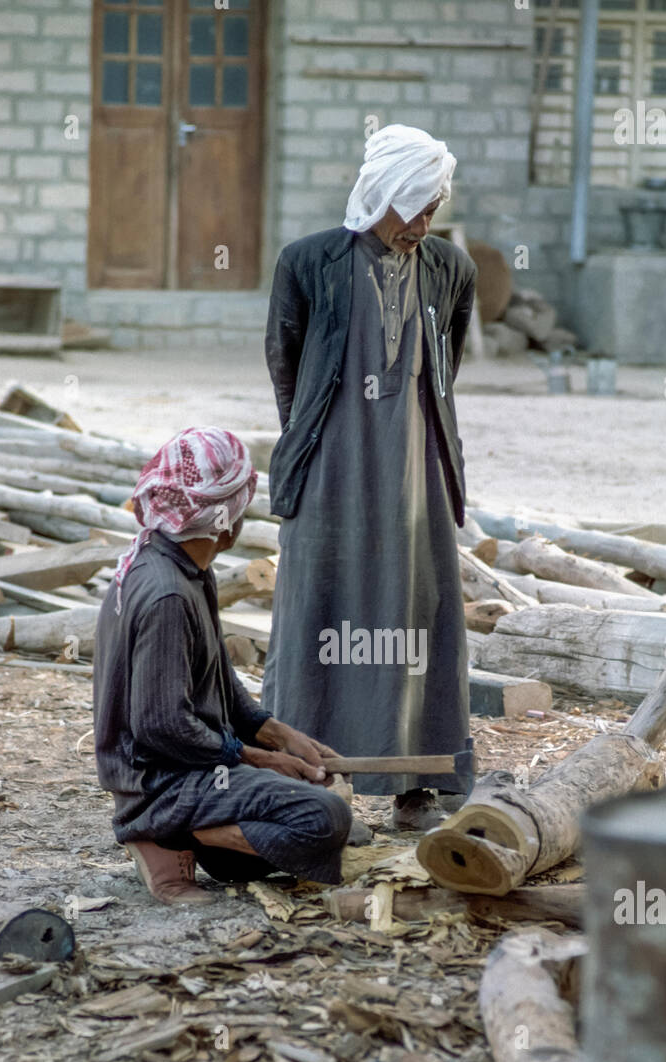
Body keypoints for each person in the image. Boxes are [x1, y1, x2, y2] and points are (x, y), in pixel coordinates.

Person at [262, 124, 476, 832]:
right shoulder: (308, 261)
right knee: (320, 608)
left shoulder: (451, 269)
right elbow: (286, 364)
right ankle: (318, 775)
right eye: (412, 206)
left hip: (415, 471)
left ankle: (417, 784)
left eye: (432, 207)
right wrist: (322, 440)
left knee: (418, 612)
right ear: (379, 195)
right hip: (331, 468)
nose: (422, 222)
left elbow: (446, 367)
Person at [93, 427, 351, 905]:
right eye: (240, 502)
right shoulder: (168, 594)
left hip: (187, 768)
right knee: (325, 819)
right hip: (161, 781)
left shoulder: (187, 566)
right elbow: (162, 726)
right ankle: (164, 832)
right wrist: (259, 758)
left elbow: (216, 679)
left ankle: (193, 833)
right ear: (221, 517)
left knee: (318, 809)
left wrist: (276, 733)